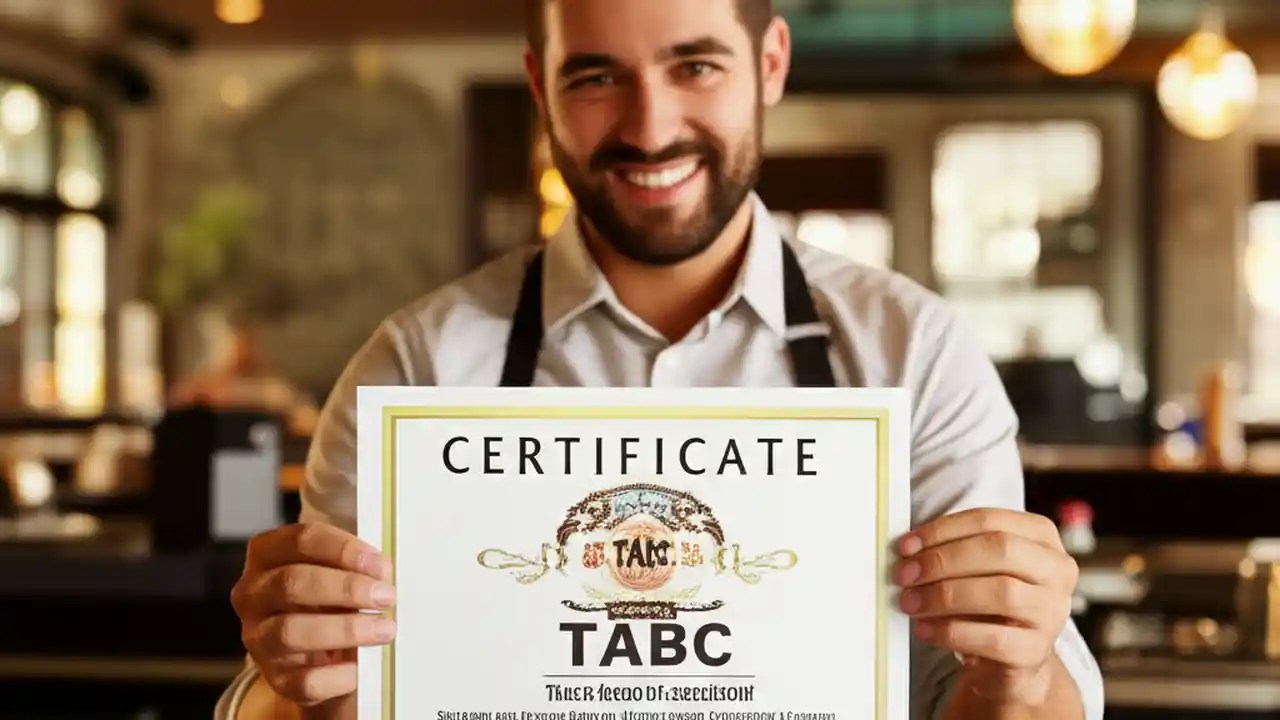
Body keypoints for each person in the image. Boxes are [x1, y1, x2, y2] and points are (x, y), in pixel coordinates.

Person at [216, 1, 1105, 718]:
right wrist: (293, 680)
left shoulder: (916, 357)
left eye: (695, 66)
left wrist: (1018, 673)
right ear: (541, 86)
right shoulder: (414, 369)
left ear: (770, 64)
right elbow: (329, 700)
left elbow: (993, 701)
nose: (650, 127)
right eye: (598, 76)